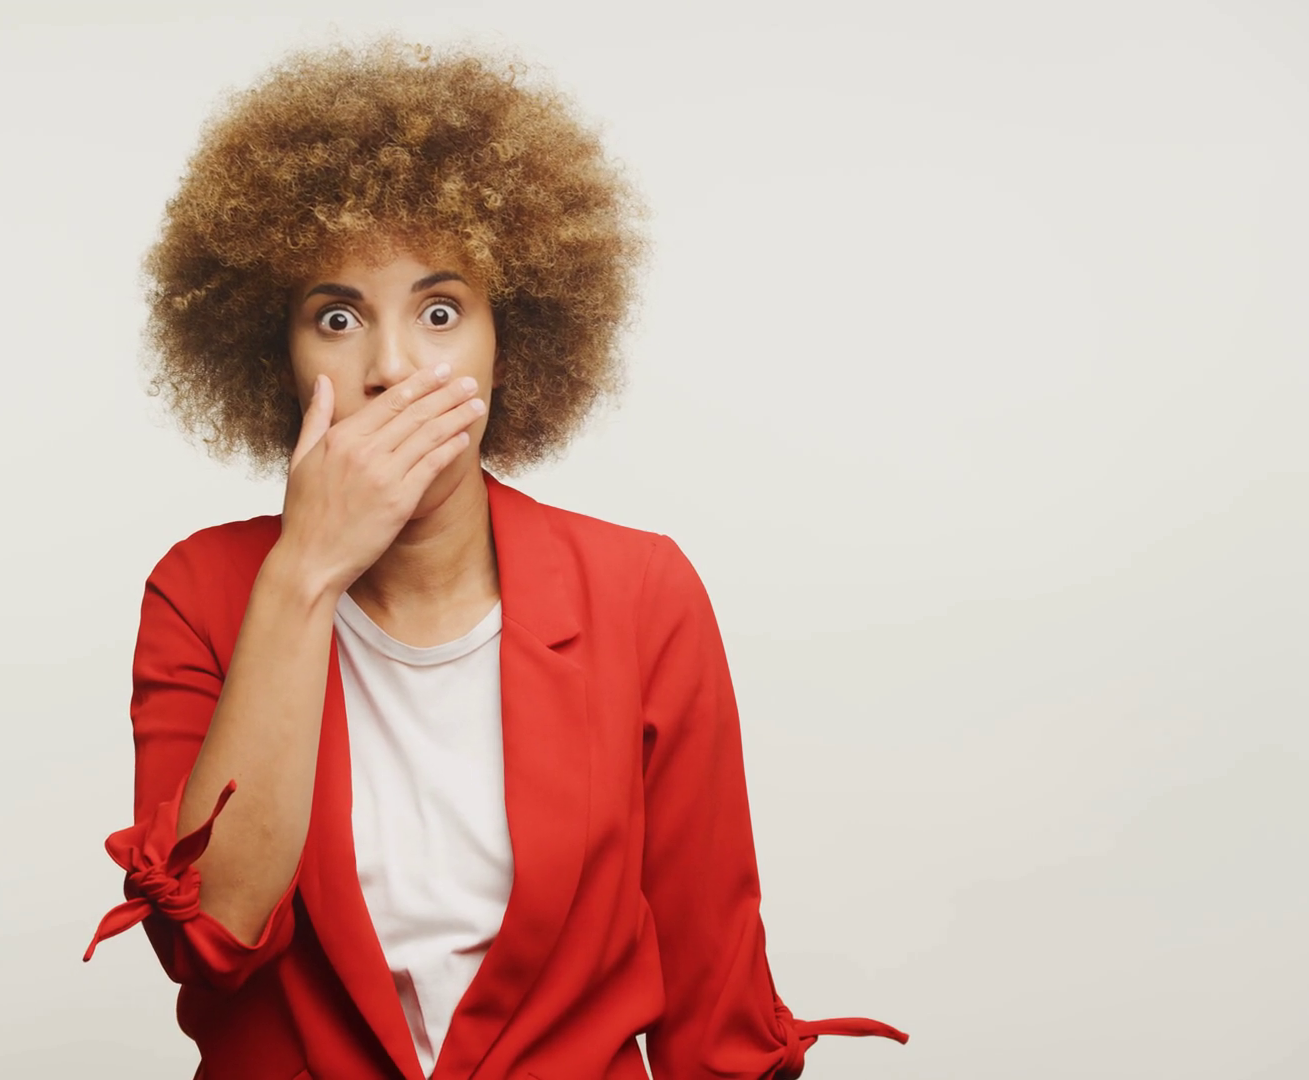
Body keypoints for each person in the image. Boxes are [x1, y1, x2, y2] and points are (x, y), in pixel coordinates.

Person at [83, 38, 908, 1079]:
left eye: (439, 312)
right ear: (275, 355)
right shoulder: (205, 593)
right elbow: (215, 940)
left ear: (507, 341)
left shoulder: (640, 595)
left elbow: (715, 1012)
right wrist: (305, 573)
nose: (389, 369)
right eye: (337, 317)